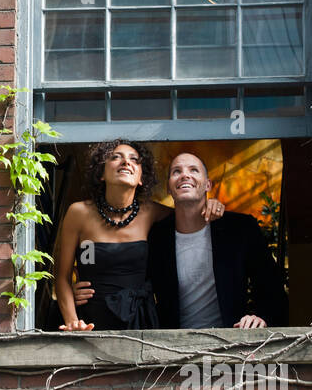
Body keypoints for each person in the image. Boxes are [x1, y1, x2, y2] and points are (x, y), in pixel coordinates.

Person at [74, 151, 287, 329]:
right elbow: (124, 271)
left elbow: (271, 284)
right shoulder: (156, 235)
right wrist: (87, 286)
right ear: (168, 188)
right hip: (170, 346)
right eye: (176, 171)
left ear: (207, 184)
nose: (185, 175)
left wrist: (261, 317)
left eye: (194, 170)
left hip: (232, 341)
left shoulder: (239, 228)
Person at [54, 140, 223, 332]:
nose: (126, 162)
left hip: (140, 323)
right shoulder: (78, 213)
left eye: (134, 159)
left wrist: (210, 204)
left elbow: (189, 211)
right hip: (90, 322)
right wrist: (73, 322)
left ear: (141, 177)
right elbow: (62, 278)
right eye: (116, 157)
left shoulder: (152, 213)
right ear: (101, 173)